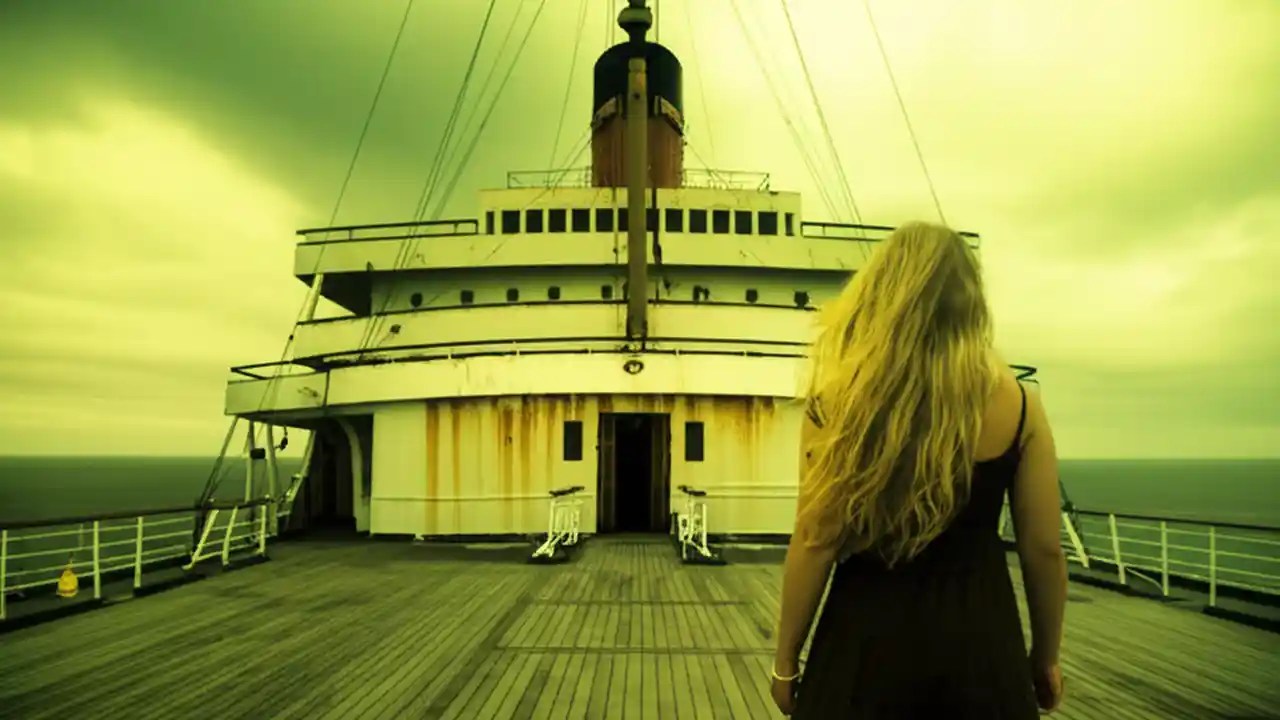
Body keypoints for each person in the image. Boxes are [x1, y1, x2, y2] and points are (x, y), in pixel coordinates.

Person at [769, 221, 1068, 717]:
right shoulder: (1020, 406)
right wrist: (1045, 657)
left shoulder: (837, 404)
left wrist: (786, 663)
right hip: (985, 651)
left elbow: (815, 541)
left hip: (861, 653)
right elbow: (1044, 550)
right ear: (971, 304)